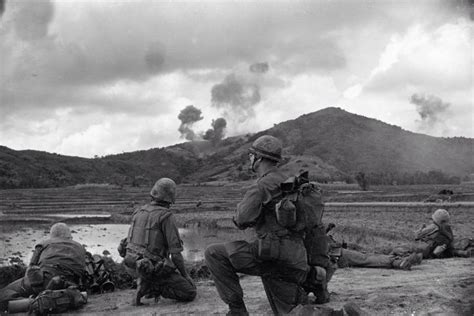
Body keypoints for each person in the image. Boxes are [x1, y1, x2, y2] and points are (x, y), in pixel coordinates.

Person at [205, 135, 309, 315]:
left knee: (214, 253)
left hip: (273, 259)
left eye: (251, 156)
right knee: (289, 310)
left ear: (258, 159)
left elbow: (241, 220)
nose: (250, 159)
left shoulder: (261, 186)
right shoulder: (289, 180)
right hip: (299, 257)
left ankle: (237, 311)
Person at [121, 177, 196, 306]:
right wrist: (186, 275)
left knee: (153, 267)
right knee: (190, 292)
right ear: (171, 196)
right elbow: (176, 254)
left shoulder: (138, 211)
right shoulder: (166, 216)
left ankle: (145, 282)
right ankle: (151, 287)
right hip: (149, 268)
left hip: (130, 265)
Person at [0, 222, 86, 311]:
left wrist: (27, 283)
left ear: (52, 235)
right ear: (69, 236)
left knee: (4, 293)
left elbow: (31, 268)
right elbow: (83, 270)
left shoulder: (43, 244)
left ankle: (31, 302)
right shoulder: (80, 247)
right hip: (70, 284)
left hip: (45, 280)